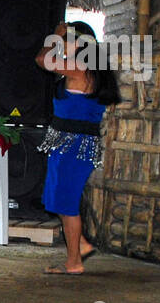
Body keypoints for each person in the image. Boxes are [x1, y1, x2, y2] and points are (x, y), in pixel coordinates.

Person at [34, 20, 121, 275]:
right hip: (67, 144)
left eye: (68, 42)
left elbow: (41, 59)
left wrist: (54, 36)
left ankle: (74, 262)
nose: (63, 46)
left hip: (74, 146)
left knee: (67, 203)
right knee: (58, 198)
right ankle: (79, 245)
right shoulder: (85, 69)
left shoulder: (80, 69)